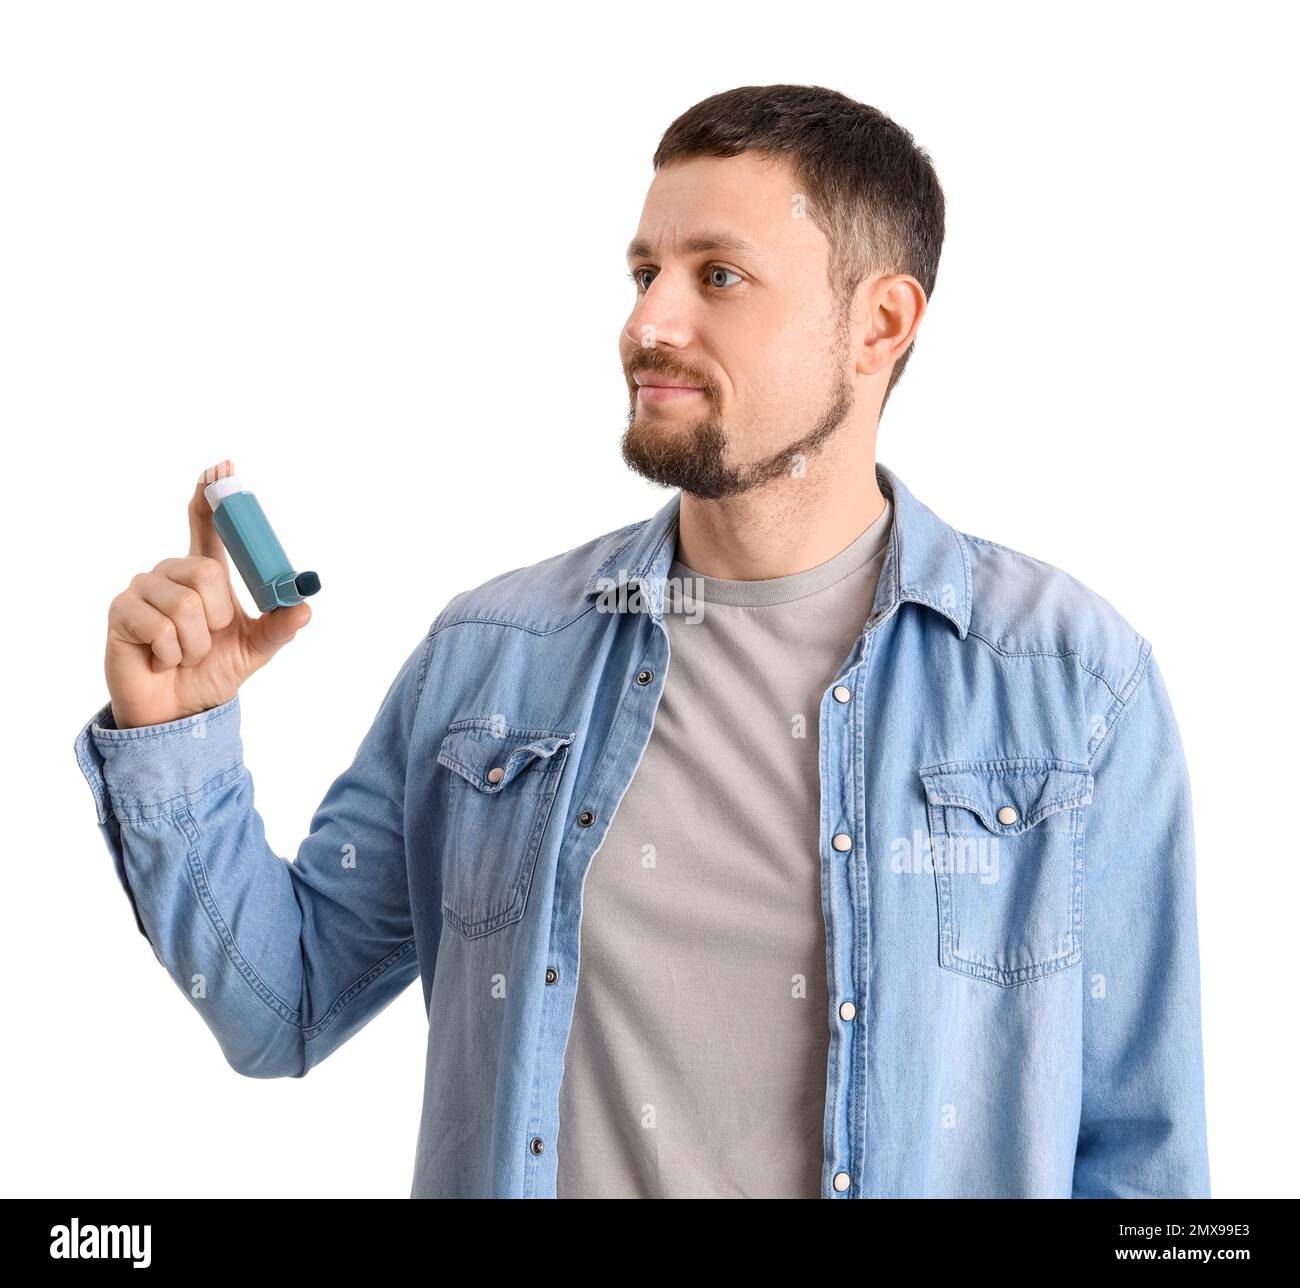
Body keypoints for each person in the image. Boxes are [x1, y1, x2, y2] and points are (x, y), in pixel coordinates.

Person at [74, 84, 1210, 1199]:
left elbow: (1141, 1159)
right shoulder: (493, 661)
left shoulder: (1070, 686)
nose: (646, 324)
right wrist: (179, 737)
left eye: (718, 276)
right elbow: (286, 1004)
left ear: (879, 323)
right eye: (643, 273)